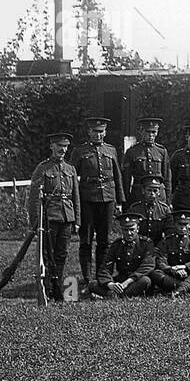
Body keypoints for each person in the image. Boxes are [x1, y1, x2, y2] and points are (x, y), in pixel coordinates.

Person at [73, 115, 125, 288]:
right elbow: (72, 178)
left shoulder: (111, 150)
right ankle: (87, 277)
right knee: (86, 239)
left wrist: (119, 200)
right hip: (87, 198)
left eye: (101, 131)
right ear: (89, 132)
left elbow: (117, 176)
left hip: (108, 198)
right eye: (95, 131)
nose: (98, 135)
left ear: (105, 132)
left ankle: (102, 275)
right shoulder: (79, 151)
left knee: (105, 240)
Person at [29, 130, 80, 303]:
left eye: (66, 146)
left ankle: (58, 287)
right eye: (60, 146)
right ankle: (47, 288)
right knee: (47, 254)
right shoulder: (42, 168)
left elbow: (76, 197)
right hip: (49, 217)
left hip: (67, 216)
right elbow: (34, 198)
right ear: (52, 146)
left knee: (62, 254)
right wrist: (35, 222)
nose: (63, 150)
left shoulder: (70, 169)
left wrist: (77, 220)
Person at [90, 209, 154, 299]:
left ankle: (112, 296)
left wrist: (127, 283)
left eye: (132, 230)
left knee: (146, 281)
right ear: (121, 230)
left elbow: (148, 266)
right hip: (121, 280)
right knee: (93, 284)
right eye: (125, 230)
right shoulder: (117, 245)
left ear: (138, 229)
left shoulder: (146, 243)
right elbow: (105, 268)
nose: (129, 233)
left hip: (135, 280)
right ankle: (117, 295)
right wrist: (110, 284)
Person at [149, 209, 190, 298]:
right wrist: (172, 269)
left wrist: (185, 267)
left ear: (189, 225)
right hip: (172, 275)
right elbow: (160, 259)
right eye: (180, 224)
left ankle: (179, 290)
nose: (182, 227)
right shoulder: (167, 240)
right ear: (174, 225)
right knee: (155, 273)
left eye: (185, 224)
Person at [123, 115, 171, 205]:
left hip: (158, 196)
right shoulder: (132, 151)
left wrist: (168, 200)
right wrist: (126, 201)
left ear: (157, 133)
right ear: (142, 132)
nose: (151, 135)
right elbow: (126, 179)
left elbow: (167, 178)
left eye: (153, 132)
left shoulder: (162, 151)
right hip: (139, 195)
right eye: (148, 132)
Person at [126, 175, 173, 244]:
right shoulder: (135, 209)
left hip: (157, 246)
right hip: (139, 246)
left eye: (155, 191)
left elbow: (169, 233)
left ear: (159, 192)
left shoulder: (165, 210)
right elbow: (129, 232)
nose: (152, 194)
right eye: (149, 190)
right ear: (143, 191)